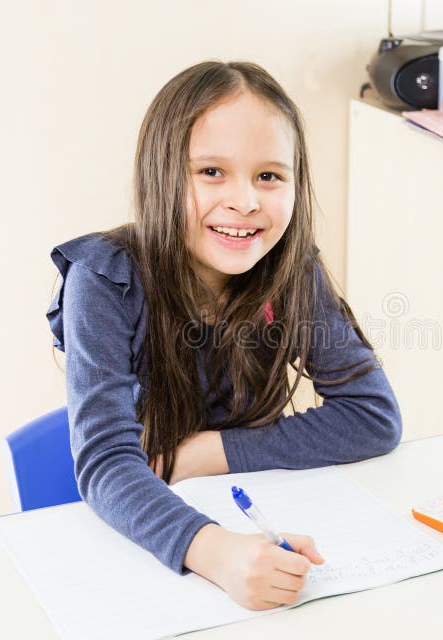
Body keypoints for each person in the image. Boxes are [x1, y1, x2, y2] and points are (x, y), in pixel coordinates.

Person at [46, 60, 402, 611]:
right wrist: (218, 554)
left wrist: (206, 453)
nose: (246, 201)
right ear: (160, 174)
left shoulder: (291, 267)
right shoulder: (103, 280)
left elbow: (372, 416)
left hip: (250, 505)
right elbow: (108, 464)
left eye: (269, 176)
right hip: (148, 542)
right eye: (211, 171)